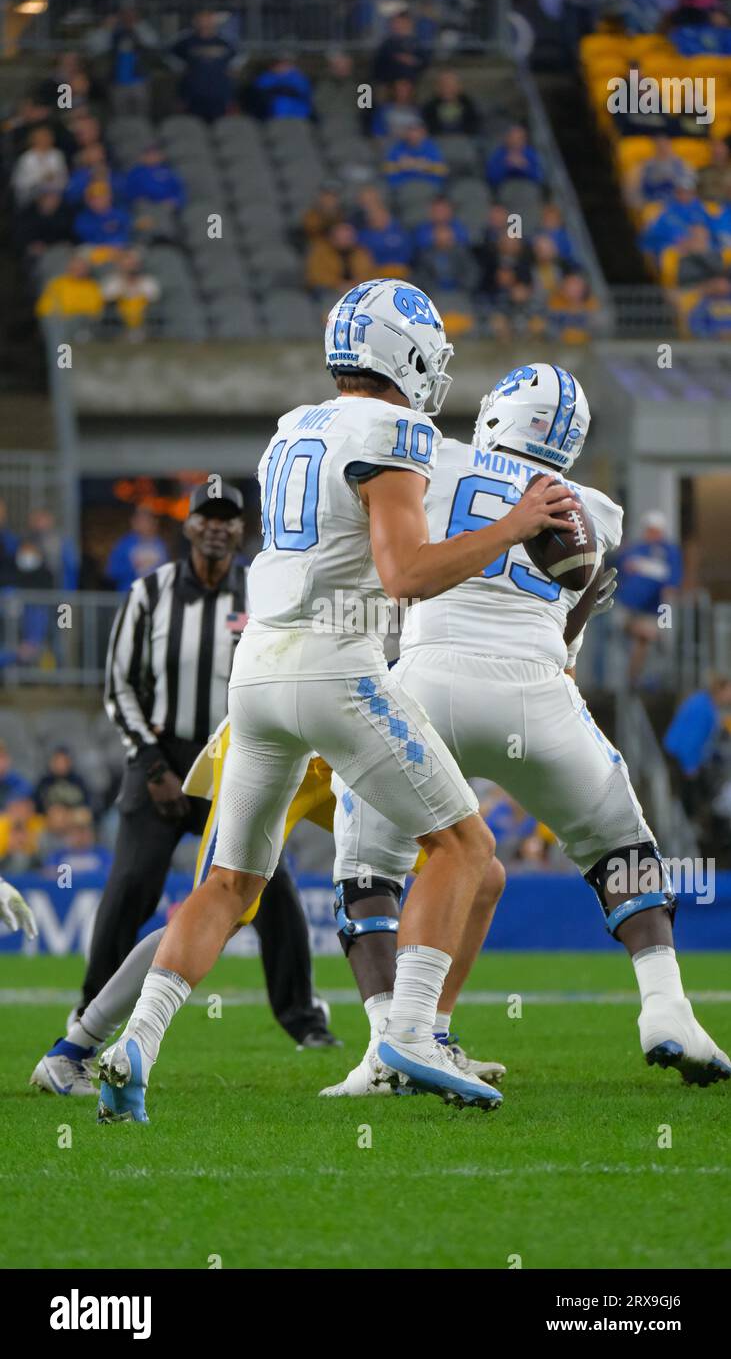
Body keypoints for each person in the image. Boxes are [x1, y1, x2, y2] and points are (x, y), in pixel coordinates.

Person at [94, 278, 579, 1122]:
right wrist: (514, 523)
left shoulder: (294, 428)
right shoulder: (394, 429)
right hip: (332, 666)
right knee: (466, 850)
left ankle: (134, 1045)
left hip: (255, 673)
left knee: (230, 885)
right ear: (408, 353)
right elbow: (406, 576)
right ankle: (411, 1035)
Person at [319, 362, 729, 1098]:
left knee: (366, 872)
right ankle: (666, 1009)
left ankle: (386, 1048)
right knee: (621, 852)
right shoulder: (596, 511)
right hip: (536, 687)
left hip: (427, 677)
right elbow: (572, 618)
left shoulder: (429, 455)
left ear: (497, 414)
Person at [31, 485, 337, 1097]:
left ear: (240, 529)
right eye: (207, 517)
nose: (217, 529)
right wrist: (151, 764)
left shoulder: (260, 591)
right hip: (162, 759)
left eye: (228, 519)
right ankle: (87, 1019)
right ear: (189, 526)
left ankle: (304, 1020)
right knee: (132, 885)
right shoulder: (150, 594)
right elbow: (120, 688)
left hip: (234, 758)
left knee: (269, 890)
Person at [615, 510, 684, 685]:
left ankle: (656, 679)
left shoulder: (670, 551)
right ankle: (636, 680)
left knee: (661, 639)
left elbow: (672, 582)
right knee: (641, 640)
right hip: (631, 608)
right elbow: (621, 570)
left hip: (660, 608)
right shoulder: (635, 549)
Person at [663, 675, 731, 818]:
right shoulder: (704, 709)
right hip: (679, 758)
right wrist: (690, 767)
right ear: (721, 690)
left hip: (679, 754)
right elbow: (691, 739)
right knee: (687, 798)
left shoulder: (703, 702)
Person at [168, 11, 240, 123]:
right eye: (202, 21)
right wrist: (179, 69)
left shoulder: (225, 42)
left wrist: (232, 73)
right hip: (193, 93)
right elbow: (170, 56)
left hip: (219, 93)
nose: (205, 24)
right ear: (195, 23)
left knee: (219, 125)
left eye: (208, 21)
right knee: (193, 126)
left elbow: (237, 60)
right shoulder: (185, 42)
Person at [105, 507, 168, 592]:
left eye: (147, 519)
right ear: (134, 522)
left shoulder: (159, 544)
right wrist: (133, 568)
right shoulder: (125, 544)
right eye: (141, 520)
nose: (144, 523)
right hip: (129, 594)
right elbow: (111, 571)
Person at [11, 126, 68, 208]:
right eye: (41, 138)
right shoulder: (26, 158)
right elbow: (18, 182)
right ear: (33, 140)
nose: (44, 140)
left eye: (47, 137)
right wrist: (41, 177)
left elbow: (64, 178)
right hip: (30, 195)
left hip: (55, 193)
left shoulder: (57, 155)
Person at [383, 122, 448, 189]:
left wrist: (428, 166)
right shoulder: (397, 147)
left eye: (416, 133)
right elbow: (386, 168)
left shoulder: (432, 148)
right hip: (402, 185)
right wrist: (399, 165)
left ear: (423, 134)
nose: (413, 137)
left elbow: (443, 171)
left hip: (427, 184)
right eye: (410, 133)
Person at [486, 124, 544, 192]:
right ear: (507, 139)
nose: (515, 141)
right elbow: (492, 179)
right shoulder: (498, 154)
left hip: (528, 191)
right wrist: (506, 166)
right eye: (512, 138)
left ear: (524, 140)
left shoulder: (531, 154)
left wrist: (524, 167)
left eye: (519, 138)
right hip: (505, 191)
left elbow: (539, 178)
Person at [422, 70, 480, 136]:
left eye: (451, 85)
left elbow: (475, 127)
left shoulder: (470, 106)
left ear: (459, 87)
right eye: (444, 85)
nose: (448, 89)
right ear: (437, 88)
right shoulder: (429, 108)